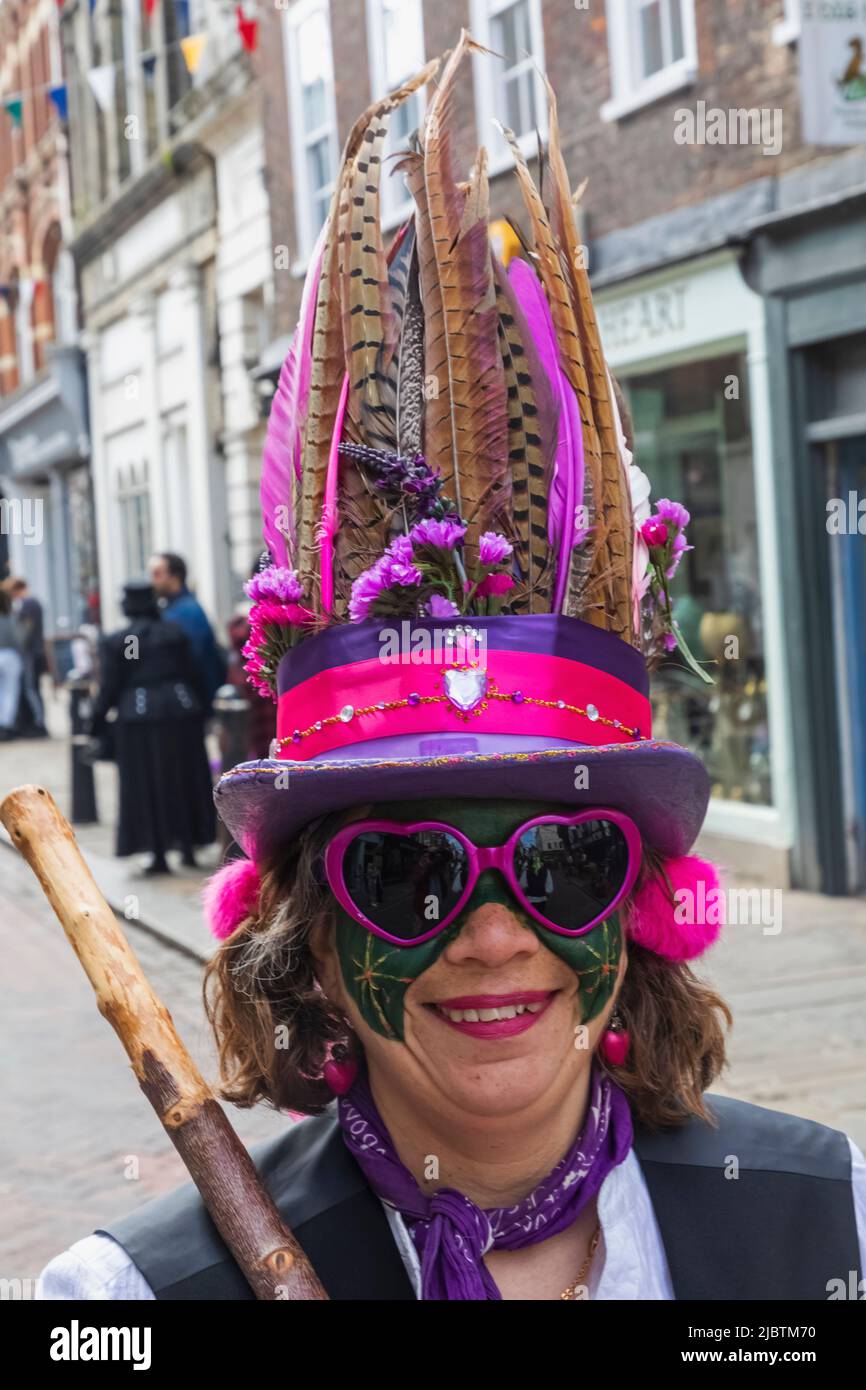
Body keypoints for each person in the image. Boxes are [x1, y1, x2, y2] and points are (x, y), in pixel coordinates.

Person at [37, 44, 865, 1301]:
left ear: (638, 910)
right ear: (309, 941)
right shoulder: (127, 1307)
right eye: (404, 870)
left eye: (563, 861)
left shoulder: (829, 1227)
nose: (492, 934)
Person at [88, 580, 215, 874]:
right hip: (182, 714)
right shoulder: (174, 634)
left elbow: (110, 687)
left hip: (140, 721)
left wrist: (94, 724)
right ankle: (187, 845)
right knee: (184, 780)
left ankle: (158, 852)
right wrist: (206, 710)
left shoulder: (120, 640)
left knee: (149, 785)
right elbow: (195, 674)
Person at [148, 552, 225, 712]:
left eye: (157, 574)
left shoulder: (186, 612)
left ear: (174, 577)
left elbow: (197, 659)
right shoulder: (165, 611)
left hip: (188, 704)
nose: (152, 581)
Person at [8, 576, 48, 736]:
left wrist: (19, 645)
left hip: (30, 652)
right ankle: (34, 722)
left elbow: (25, 631)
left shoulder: (28, 604)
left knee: (30, 688)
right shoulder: (32, 603)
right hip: (33, 651)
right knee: (31, 688)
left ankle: (39, 722)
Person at [0, 587, 23, 742]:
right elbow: (18, 640)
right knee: (10, 692)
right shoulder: (10, 618)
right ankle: (6, 724)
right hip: (9, 655)